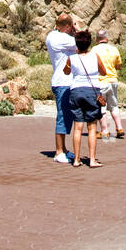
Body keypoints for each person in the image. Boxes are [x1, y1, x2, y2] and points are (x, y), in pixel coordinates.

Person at [63, 30, 108, 167]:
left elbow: (66, 71)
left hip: (76, 91)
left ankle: (76, 159)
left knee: (77, 127)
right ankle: (92, 159)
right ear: (89, 43)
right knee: (92, 127)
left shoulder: (72, 58)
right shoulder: (95, 56)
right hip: (92, 92)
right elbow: (104, 72)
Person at [46, 14, 79, 163]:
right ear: (68, 27)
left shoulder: (52, 36)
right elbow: (84, 43)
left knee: (66, 116)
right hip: (64, 82)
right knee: (63, 116)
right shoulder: (64, 39)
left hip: (62, 81)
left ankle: (64, 149)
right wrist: (77, 30)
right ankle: (59, 151)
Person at [93, 30, 125, 139]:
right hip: (113, 80)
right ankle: (119, 128)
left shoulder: (94, 50)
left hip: (101, 81)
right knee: (114, 106)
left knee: (101, 107)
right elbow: (119, 66)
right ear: (107, 38)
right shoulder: (114, 49)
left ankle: (105, 131)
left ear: (97, 39)